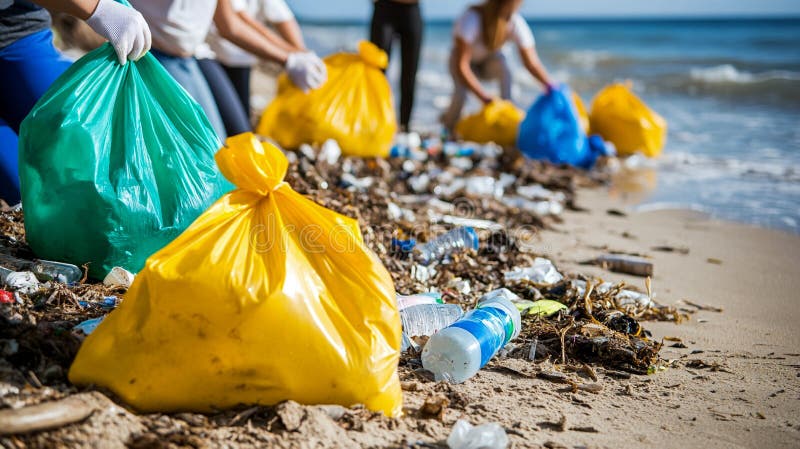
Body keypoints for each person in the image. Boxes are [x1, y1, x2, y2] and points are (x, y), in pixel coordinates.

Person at [0, 0, 151, 206]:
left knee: (89, 148)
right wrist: (98, 9)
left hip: (17, 32)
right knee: (26, 194)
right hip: (19, 32)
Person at [128, 0, 326, 139]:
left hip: (189, 57)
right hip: (149, 51)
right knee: (201, 142)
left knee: (220, 143)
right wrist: (290, 58)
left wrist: (292, 57)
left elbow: (230, 23)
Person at [441, 0, 554, 133]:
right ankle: (449, 126)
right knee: (461, 94)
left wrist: (550, 86)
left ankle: (507, 118)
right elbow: (461, 65)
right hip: (461, 63)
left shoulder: (514, 22)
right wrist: (484, 97)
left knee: (506, 66)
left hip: (487, 64)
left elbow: (531, 63)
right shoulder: (472, 18)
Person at [202, 0, 307, 122]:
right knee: (231, 124)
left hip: (241, 59)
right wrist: (290, 58)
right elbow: (234, 23)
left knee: (240, 118)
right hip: (210, 55)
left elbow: (283, 18)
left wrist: (301, 54)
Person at [370, 0, 422, 131]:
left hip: (411, 9)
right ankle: (373, 122)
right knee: (376, 71)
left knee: (410, 74)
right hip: (385, 9)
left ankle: (405, 126)